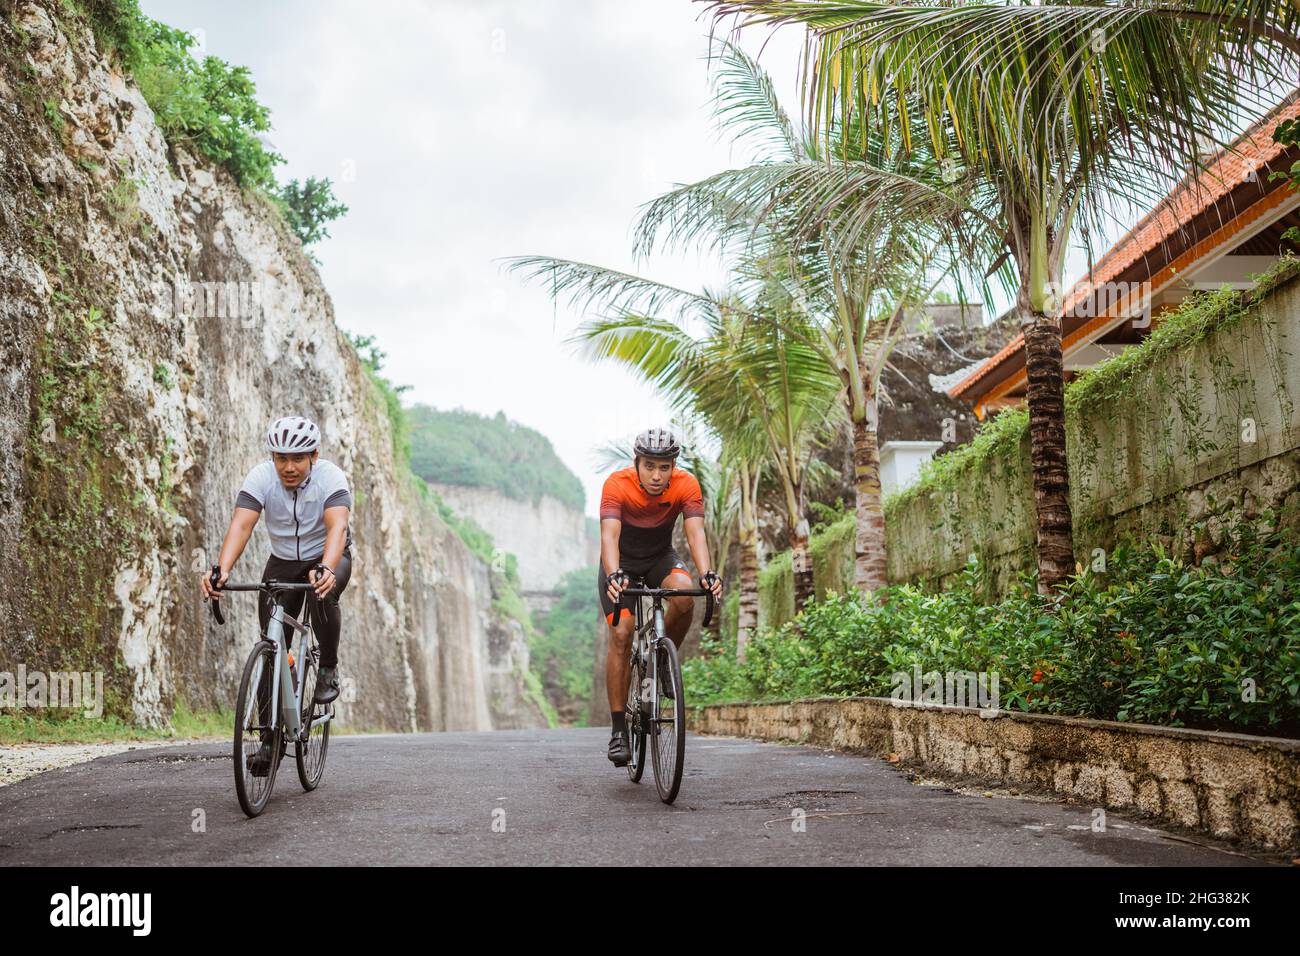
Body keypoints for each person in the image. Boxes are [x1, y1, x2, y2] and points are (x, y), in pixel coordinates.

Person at [200, 416, 353, 775]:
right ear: (272, 456)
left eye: (297, 458)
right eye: (280, 458)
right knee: (273, 648)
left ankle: (328, 665)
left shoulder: (331, 478)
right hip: (282, 562)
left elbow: (338, 527)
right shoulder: (261, 478)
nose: (288, 467)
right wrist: (221, 569)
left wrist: (328, 567)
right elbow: (242, 524)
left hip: (327, 555)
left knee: (322, 593)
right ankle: (270, 740)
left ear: (313, 455)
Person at [598, 427, 723, 766]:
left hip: (660, 558)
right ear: (636, 463)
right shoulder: (616, 485)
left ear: (673, 467)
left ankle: (661, 662)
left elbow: (695, 534)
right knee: (622, 633)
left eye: (664, 467)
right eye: (650, 466)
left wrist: (707, 572)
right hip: (620, 563)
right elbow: (609, 537)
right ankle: (619, 731)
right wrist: (613, 574)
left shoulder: (686, 485)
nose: (656, 475)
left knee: (684, 598)